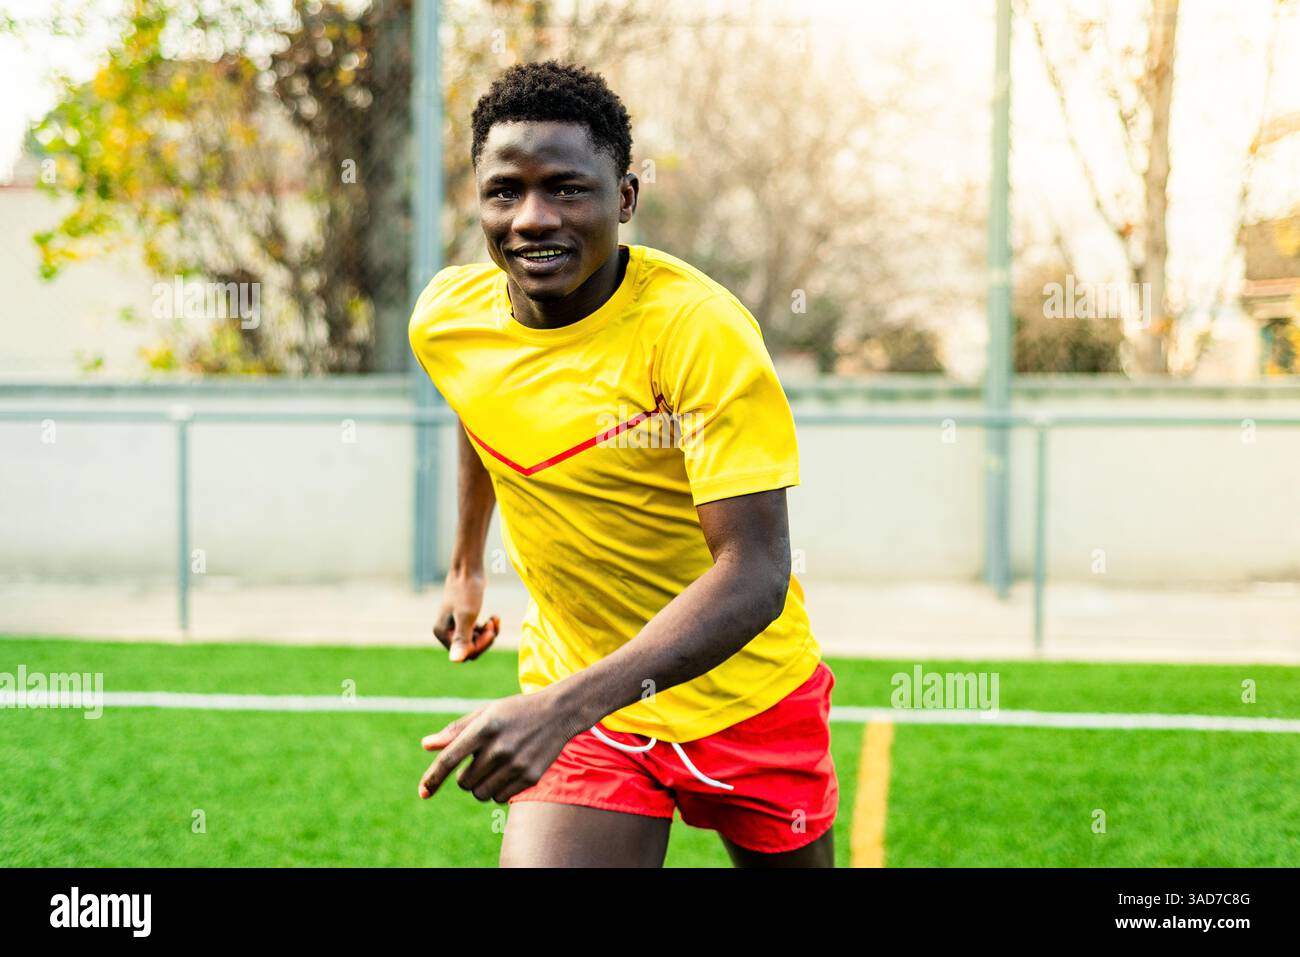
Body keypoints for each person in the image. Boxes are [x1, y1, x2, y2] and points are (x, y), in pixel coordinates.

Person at [408, 60, 837, 868]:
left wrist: (555, 710)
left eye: (568, 188)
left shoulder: (698, 331)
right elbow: (481, 407)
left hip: (746, 694)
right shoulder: (446, 319)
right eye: (505, 191)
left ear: (625, 198)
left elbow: (755, 570)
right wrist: (466, 565)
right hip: (591, 709)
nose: (532, 218)